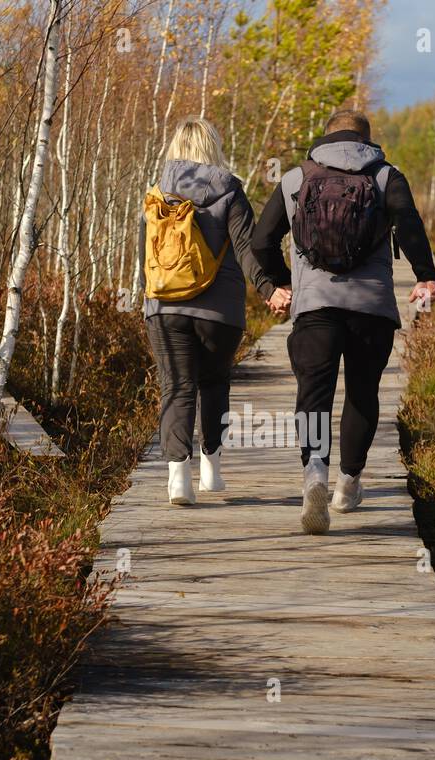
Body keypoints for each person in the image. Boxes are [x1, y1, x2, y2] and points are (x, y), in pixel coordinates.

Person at [253, 108, 435, 534]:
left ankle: (315, 469)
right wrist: (426, 276)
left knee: (313, 393)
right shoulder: (387, 175)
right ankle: (347, 483)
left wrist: (282, 284)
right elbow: (410, 228)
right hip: (371, 308)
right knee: (362, 392)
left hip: (315, 307)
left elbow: (262, 241)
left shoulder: (296, 178)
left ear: (325, 137)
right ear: (367, 140)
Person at [141, 117, 278, 505]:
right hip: (220, 313)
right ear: (212, 147)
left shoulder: (156, 194)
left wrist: (150, 303)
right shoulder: (230, 190)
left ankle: (177, 479)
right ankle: (211, 471)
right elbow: (248, 247)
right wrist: (269, 289)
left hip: (166, 309)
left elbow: (145, 258)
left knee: (177, 387)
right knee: (214, 384)